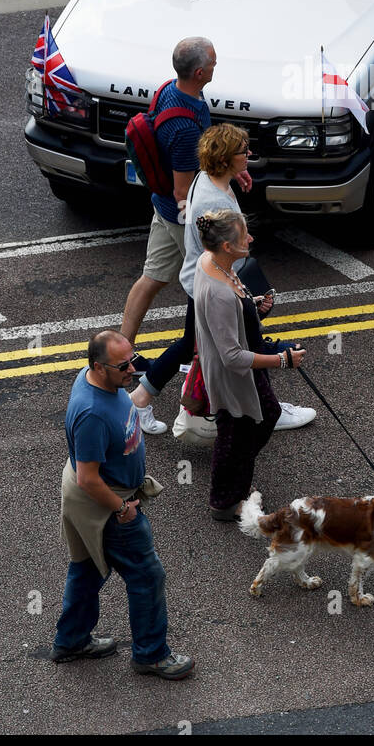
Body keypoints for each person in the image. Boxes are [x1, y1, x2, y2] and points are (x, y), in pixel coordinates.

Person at [128, 122, 316, 437]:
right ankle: (267, 410)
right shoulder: (212, 203)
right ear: (226, 158)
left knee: (196, 343)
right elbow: (219, 251)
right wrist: (238, 295)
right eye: (244, 152)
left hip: (206, 280)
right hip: (213, 283)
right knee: (241, 343)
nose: (250, 154)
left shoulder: (208, 178)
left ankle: (142, 397)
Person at [120, 36, 250, 435]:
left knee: (152, 279)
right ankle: (145, 393)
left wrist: (230, 171)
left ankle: (121, 358)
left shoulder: (174, 90)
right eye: (213, 61)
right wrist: (207, 253)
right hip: (179, 217)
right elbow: (184, 193)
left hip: (163, 209)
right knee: (202, 323)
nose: (216, 64)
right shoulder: (180, 128)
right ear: (199, 72)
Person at [51, 329, 194, 680]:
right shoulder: (92, 413)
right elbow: (88, 477)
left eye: (133, 359)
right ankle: (151, 654)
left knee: (86, 570)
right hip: (106, 504)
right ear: (99, 367)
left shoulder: (96, 381)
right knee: (146, 576)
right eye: (123, 365)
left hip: (99, 496)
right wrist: (120, 508)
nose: (133, 369)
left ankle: (71, 640)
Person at [192, 209, 308, 520]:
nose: (251, 238)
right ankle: (224, 502)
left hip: (244, 371)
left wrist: (251, 305)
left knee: (256, 421)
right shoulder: (218, 292)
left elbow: (229, 315)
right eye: (245, 236)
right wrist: (282, 361)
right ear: (227, 246)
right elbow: (232, 355)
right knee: (238, 433)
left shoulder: (214, 263)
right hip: (234, 376)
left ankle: (236, 480)